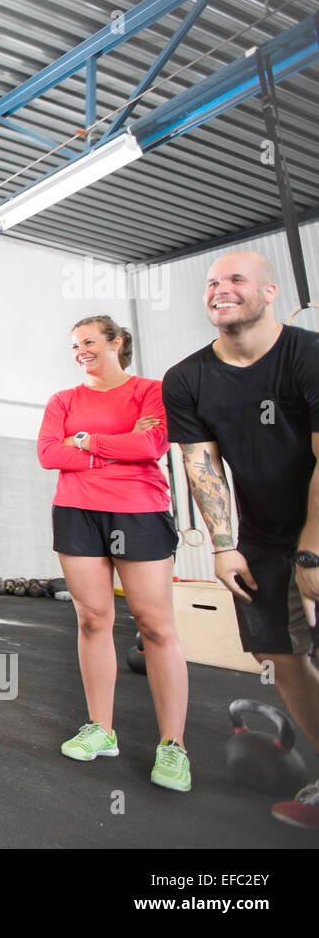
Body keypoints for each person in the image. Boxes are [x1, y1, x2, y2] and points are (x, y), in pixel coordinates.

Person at [163, 250, 319, 827]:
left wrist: (311, 551)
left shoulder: (309, 355)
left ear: (270, 291)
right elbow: (203, 467)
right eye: (211, 282)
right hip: (259, 537)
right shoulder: (187, 379)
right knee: (277, 654)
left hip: (318, 527)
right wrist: (225, 544)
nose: (219, 289)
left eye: (234, 280)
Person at [37, 315, 190, 792]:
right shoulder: (63, 399)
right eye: (74, 343)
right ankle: (101, 729)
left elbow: (151, 445)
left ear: (117, 342)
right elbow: (48, 454)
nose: (80, 349)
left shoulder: (151, 389)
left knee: (156, 626)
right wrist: (113, 448)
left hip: (139, 511)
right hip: (76, 512)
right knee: (92, 620)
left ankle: (173, 745)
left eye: (89, 341)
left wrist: (84, 442)